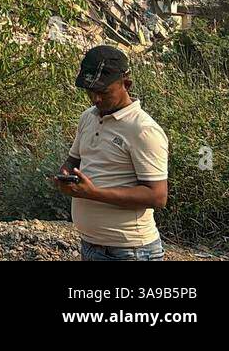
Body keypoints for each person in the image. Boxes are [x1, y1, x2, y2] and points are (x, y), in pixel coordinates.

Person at [56, 45, 169, 260]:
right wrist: (64, 174)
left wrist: (93, 193)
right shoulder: (88, 117)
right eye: (90, 91)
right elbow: (74, 159)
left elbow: (157, 196)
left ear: (126, 84)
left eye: (103, 92)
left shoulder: (143, 130)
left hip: (130, 251)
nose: (95, 99)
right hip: (90, 245)